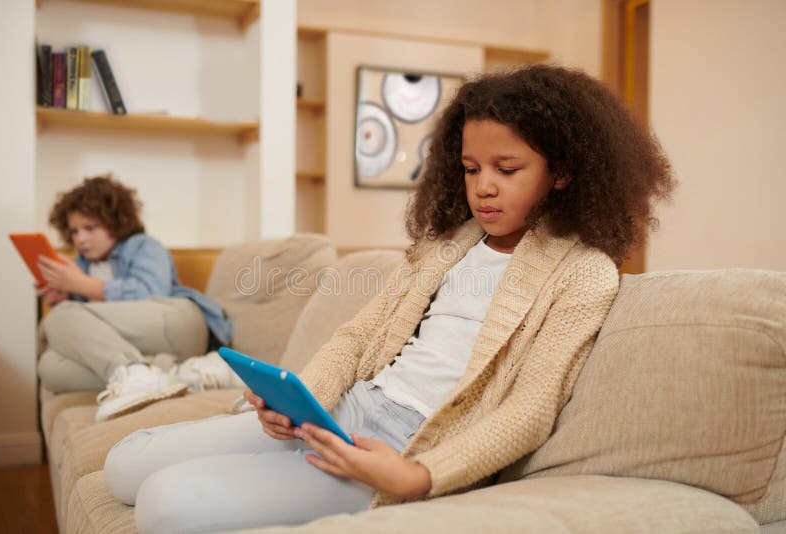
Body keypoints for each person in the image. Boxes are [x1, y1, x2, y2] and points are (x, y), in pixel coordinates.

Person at [103, 65, 675, 533]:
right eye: (472, 168)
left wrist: (418, 475)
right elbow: (356, 338)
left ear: (563, 174)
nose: (484, 187)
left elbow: (530, 410)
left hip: (406, 444)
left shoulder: (583, 274)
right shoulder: (446, 245)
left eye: (508, 169)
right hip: (342, 410)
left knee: (163, 505)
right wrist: (305, 404)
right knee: (123, 466)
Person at [36, 175, 238, 422]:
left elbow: (151, 292)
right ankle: (178, 373)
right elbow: (91, 333)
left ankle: (133, 371)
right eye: (74, 231)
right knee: (50, 368)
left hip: (180, 322)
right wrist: (65, 294)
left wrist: (81, 286)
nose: (80, 239)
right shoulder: (82, 265)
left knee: (61, 316)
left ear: (116, 222)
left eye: (90, 228)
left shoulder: (143, 246)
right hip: (144, 345)